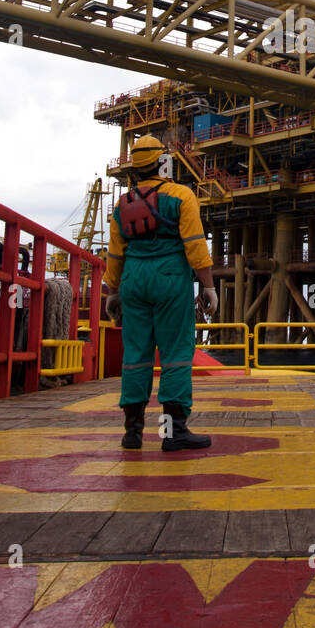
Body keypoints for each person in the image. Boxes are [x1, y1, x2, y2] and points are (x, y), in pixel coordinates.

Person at [103, 134, 218, 452]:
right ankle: (173, 433)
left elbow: (115, 253)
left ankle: (133, 433)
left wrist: (113, 292)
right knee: (176, 354)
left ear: (135, 168)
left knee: (136, 355)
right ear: (163, 162)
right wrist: (207, 285)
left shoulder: (121, 205)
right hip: (170, 280)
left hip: (134, 281)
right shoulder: (182, 195)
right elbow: (195, 244)